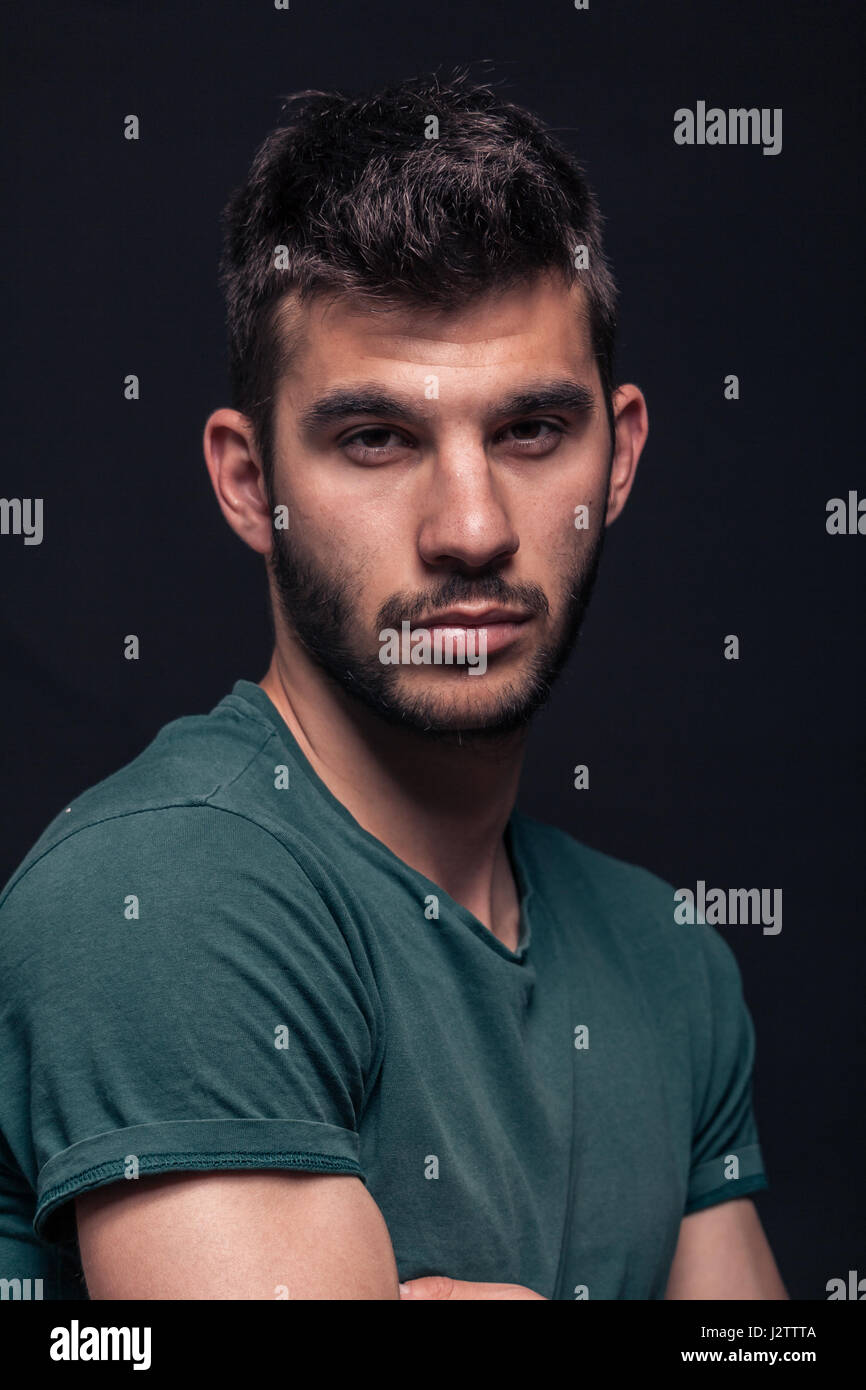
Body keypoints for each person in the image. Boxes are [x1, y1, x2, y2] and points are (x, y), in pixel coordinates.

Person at [0, 71, 786, 1300]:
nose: (470, 529)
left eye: (530, 431)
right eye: (375, 439)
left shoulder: (665, 957)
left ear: (617, 455)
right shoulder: (159, 889)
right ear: (246, 479)